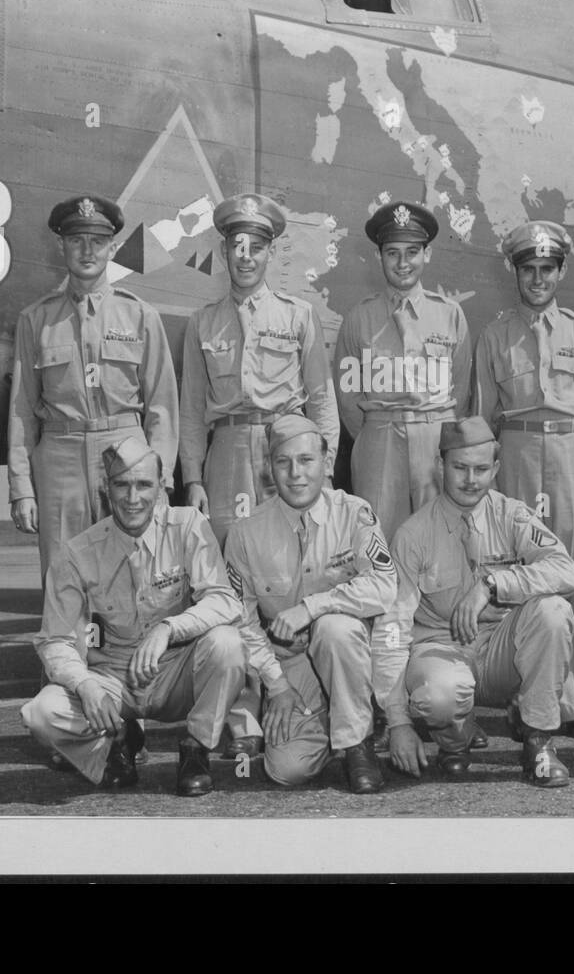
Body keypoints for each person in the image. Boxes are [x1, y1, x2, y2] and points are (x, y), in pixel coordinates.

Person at [180, 193, 340, 758]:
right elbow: (193, 409)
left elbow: (321, 398)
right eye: (235, 244)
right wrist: (194, 479)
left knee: (291, 568)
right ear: (224, 250)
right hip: (227, 452)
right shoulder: (203, 322)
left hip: (285, 451)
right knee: (232, 577)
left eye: (257, 245)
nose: (245, 255)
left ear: (270, 252)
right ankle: (242, 696)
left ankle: (299, 685)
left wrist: (326, 465)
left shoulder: (298, 317)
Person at [20, 437, 246, 795]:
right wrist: (85, 685)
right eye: (121, 485)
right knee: (41, 715)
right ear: (105, 489)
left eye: (143, 485)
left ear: (160, 488)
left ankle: (196, 748)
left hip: (175, 670)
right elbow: (55, 641)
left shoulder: (188, 526)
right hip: (114, 680)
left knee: (228, 645)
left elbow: (224, 600)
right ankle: (118, 741)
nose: (132, 497)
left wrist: (169, 629)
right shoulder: (76, 555)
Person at [472, 220, 574, 742]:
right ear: (515, 272)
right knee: (518, 572)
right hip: (515, 453)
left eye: (547, 269)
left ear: (561, 272)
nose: (537, 279)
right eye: (528, 269)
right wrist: (483, 488)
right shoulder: (494, 336)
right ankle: (525, 696)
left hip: (573, 455)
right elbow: (481, 417)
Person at [333, 200, 471, 744]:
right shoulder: (360, 319)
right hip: (379, 442)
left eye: (413, 252)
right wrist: (375, 436)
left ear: (427, 255)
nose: (403, 262)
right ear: (380, 258)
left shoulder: (449, 315)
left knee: (439, 561)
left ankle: (444, 696)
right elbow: (347, 396)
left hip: (433, 440)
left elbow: (457, 390)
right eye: (393, 253)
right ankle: (381, 702)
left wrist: (431, 437)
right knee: (381, 564)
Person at [385, 417, 574, 787]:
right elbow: (393, 627)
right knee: (439, 697)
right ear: (440, 466)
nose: (471, 480)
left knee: (554, 611)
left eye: (481, 469)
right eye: (459, 468)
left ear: (496, 469)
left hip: (502, 650)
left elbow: (566, 571)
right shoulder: (412, 534)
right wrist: (397, 722)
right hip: (440, 647)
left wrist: (493, 583)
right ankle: (455, 741)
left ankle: (538, 740)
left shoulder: (513, 515)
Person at [8, 194, 180, 585]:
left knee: (137, 576)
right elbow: (21, 411)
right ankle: (67, 646)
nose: (87, 251)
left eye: (97, 241)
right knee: (63, 577)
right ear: (61, 246)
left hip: (127, 454)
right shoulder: (35, 320)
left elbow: (162, 409)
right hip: (60, 459)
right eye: (76, 240)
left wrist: (161, 480)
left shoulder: (140, 315)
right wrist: (22, 488)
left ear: (112, 247)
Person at [223, 415, 395, 794]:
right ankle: (327, 720)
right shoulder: (245, 533)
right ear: (269, 468)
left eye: (306, 461)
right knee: (288, 770)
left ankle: (356, 744)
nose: (295, 473)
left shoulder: (354, 513)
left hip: (350, 651)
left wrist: (314, 606)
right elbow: (242, 622)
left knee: (334, 627)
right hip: (291, 664)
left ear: (326, 462)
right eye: (283, 462)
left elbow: (385, 585)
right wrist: (278, 685)